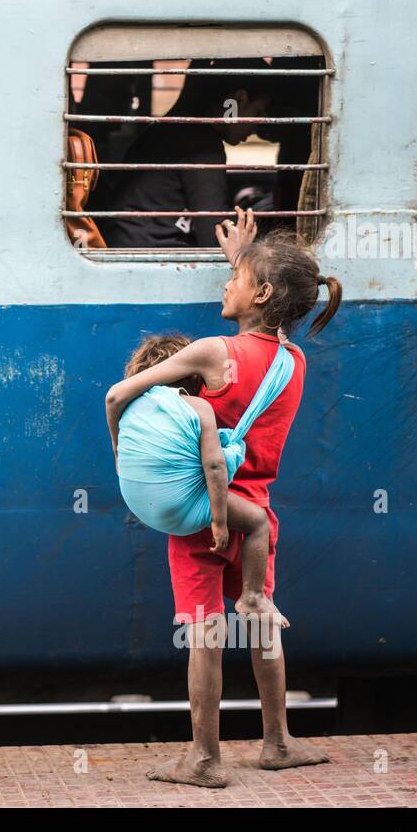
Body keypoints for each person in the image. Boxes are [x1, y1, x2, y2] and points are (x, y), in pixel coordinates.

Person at [104, 211, 342, 788]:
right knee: (261, 628)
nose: (226, 284)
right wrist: (244, 257)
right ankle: (277, 742)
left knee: (205, 636)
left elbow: (118, 396)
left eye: (235, 279)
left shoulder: (212, 353)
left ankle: (205, 760)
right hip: (257, 515)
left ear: (260, 292)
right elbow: (266, 322)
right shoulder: (295, 361)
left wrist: (123, 456)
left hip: (197, 518)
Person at [114, 330, 291, 630]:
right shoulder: (198, 408)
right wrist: (220, 521)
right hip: (199, 510)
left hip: (149, 510)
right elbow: (213, 465)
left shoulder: (136, 411)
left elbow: (112, 398)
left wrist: (116, 450)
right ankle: (252, 596)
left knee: (202, 634)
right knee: (258, 522)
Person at [94, 59, 280, 249]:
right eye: (259, 111)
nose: (259, 124)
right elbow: (215, 239)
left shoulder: (176, 131)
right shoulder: (202, 146)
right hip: (155, 257)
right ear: (238, 100)